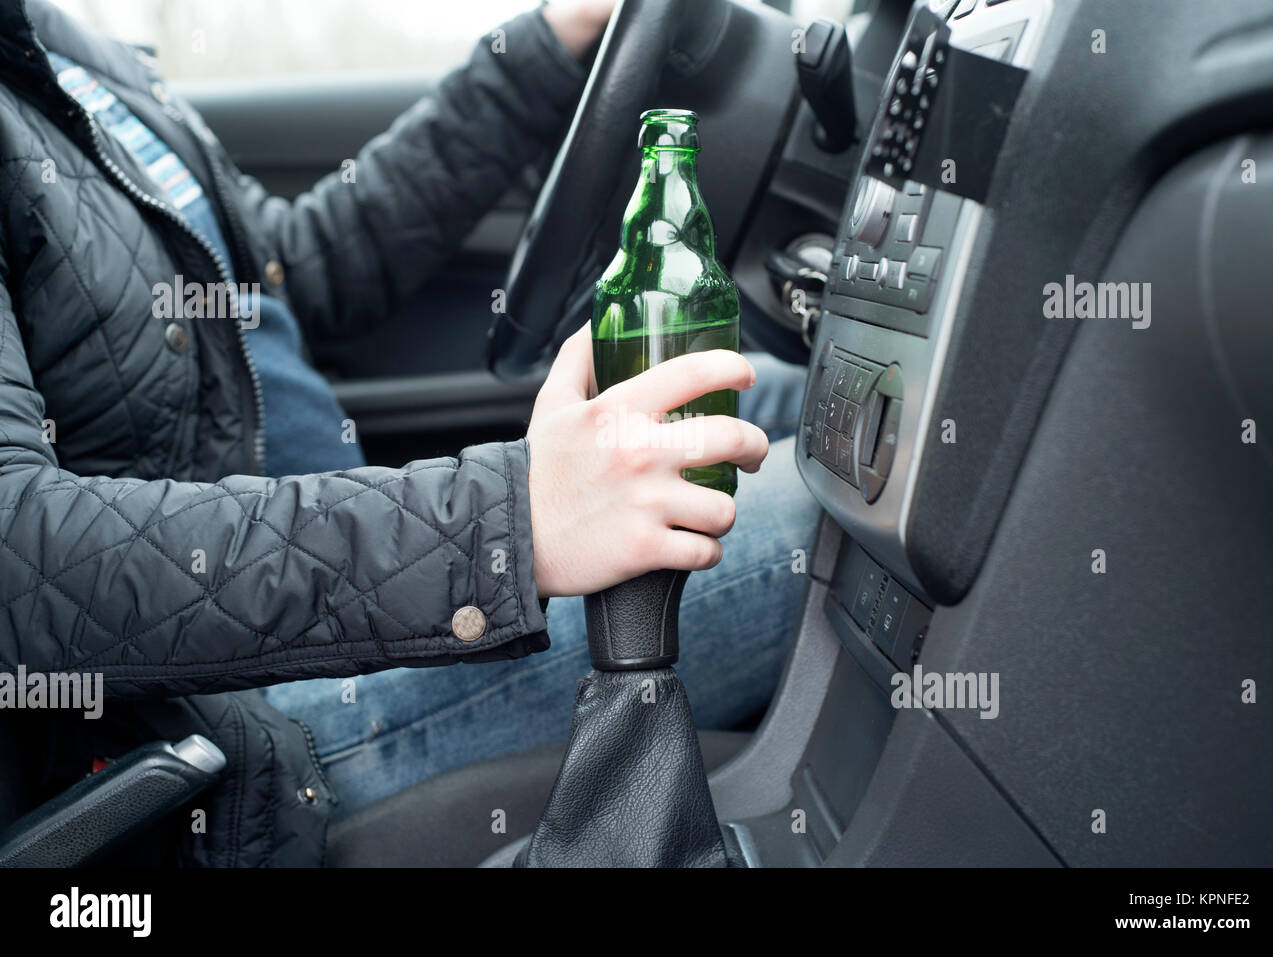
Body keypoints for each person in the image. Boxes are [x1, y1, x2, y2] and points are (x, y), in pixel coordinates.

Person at [0, 0, 819, 865]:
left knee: (770, 400)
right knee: (837, 506)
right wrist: (511, 520)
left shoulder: (55, 45)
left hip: (348, 590)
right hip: (245, 713)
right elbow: (19, 557)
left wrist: (544, 47)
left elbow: (284, 271)